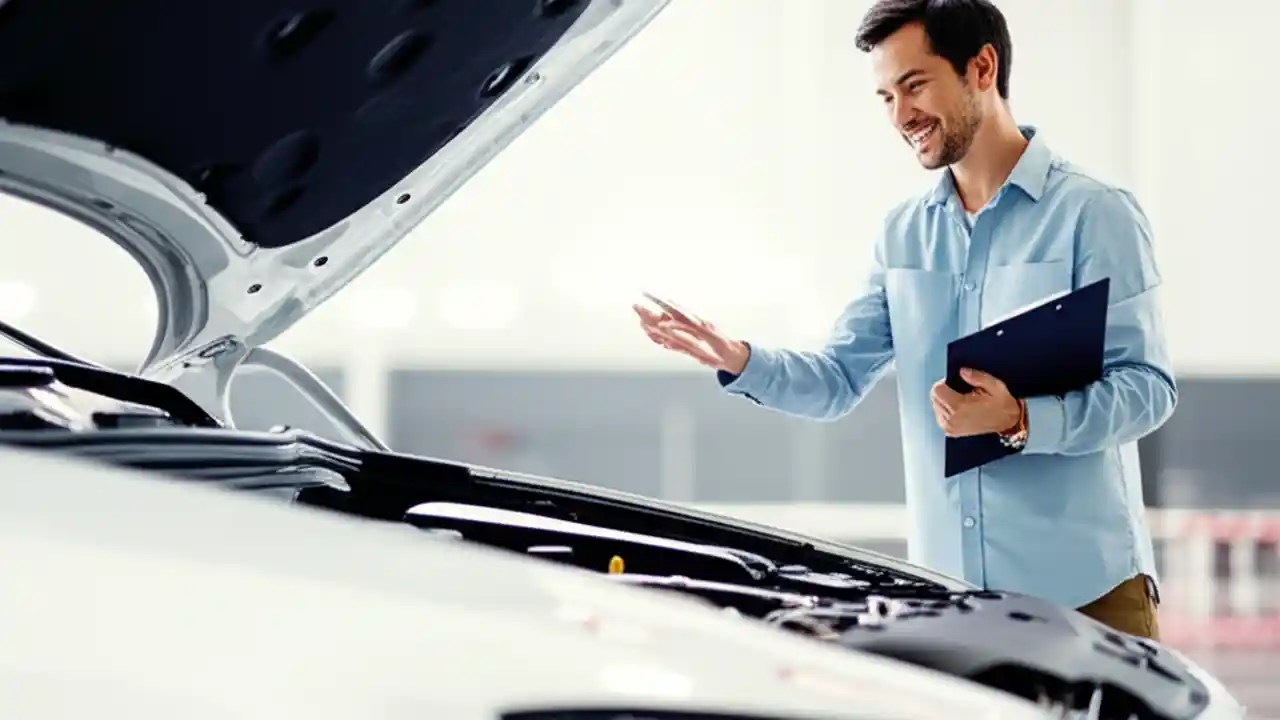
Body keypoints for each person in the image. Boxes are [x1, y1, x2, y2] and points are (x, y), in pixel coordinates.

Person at [633, 0, 1174, 640]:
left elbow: (1148, 389)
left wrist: (1021, 419)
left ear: (982, 68)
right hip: (950, 598)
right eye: (887, 97)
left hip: (1086, 593)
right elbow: (838, 380)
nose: (900, 115)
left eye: (914, 86)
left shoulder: (1094, 214)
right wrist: (739, 358)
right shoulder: (903, 235)